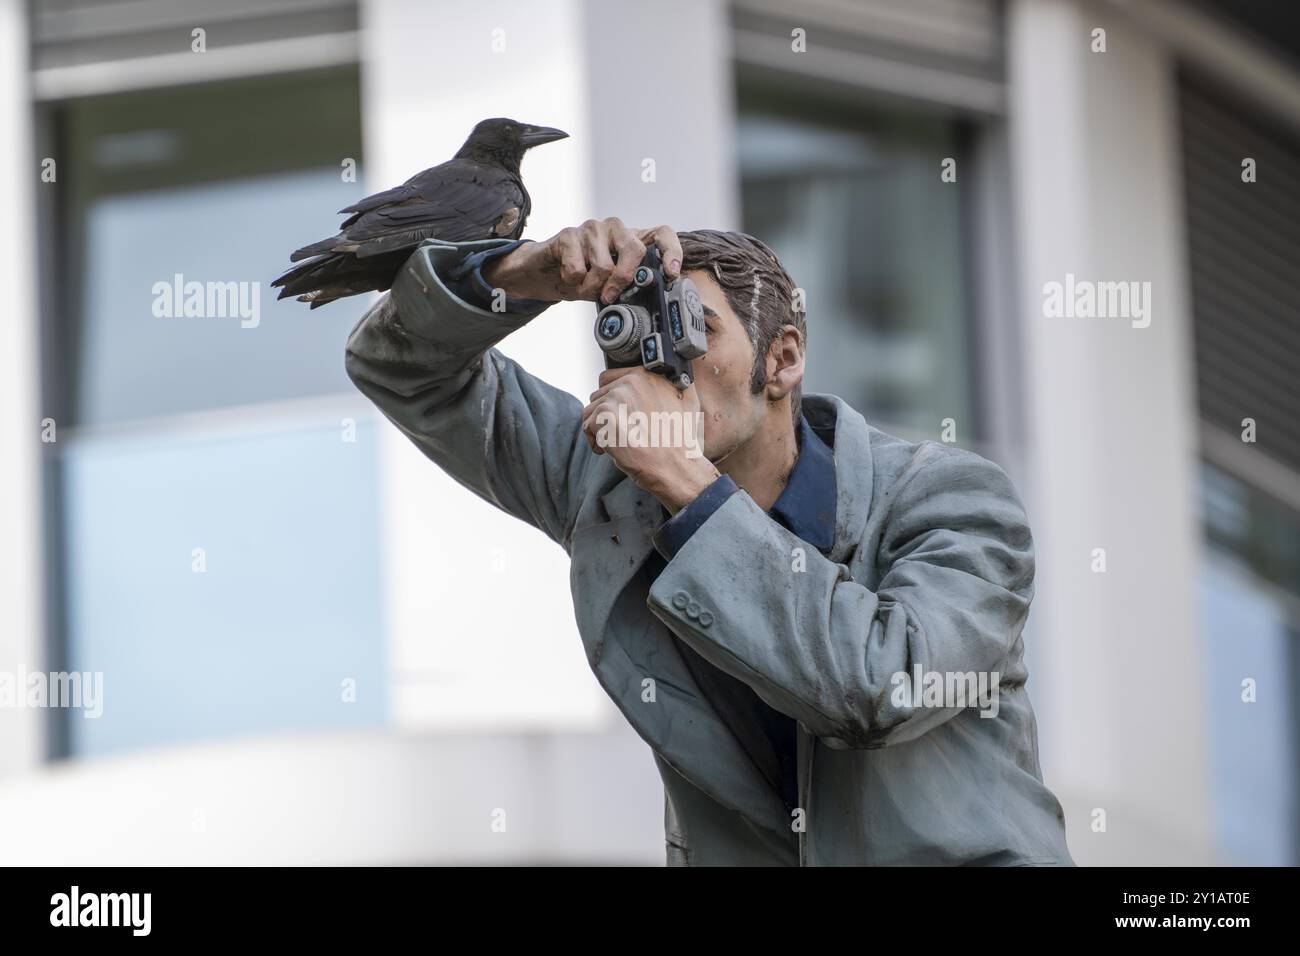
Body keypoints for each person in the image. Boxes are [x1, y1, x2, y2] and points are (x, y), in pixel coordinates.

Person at [344, 217, 1075, 866]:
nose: (660, 366)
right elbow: (399, 368)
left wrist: (689, 484)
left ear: (782, 359)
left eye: (691, 329)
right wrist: (516, 277)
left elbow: (885, 685)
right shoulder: (606, 492)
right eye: (633, 333)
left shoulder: (948, 498)